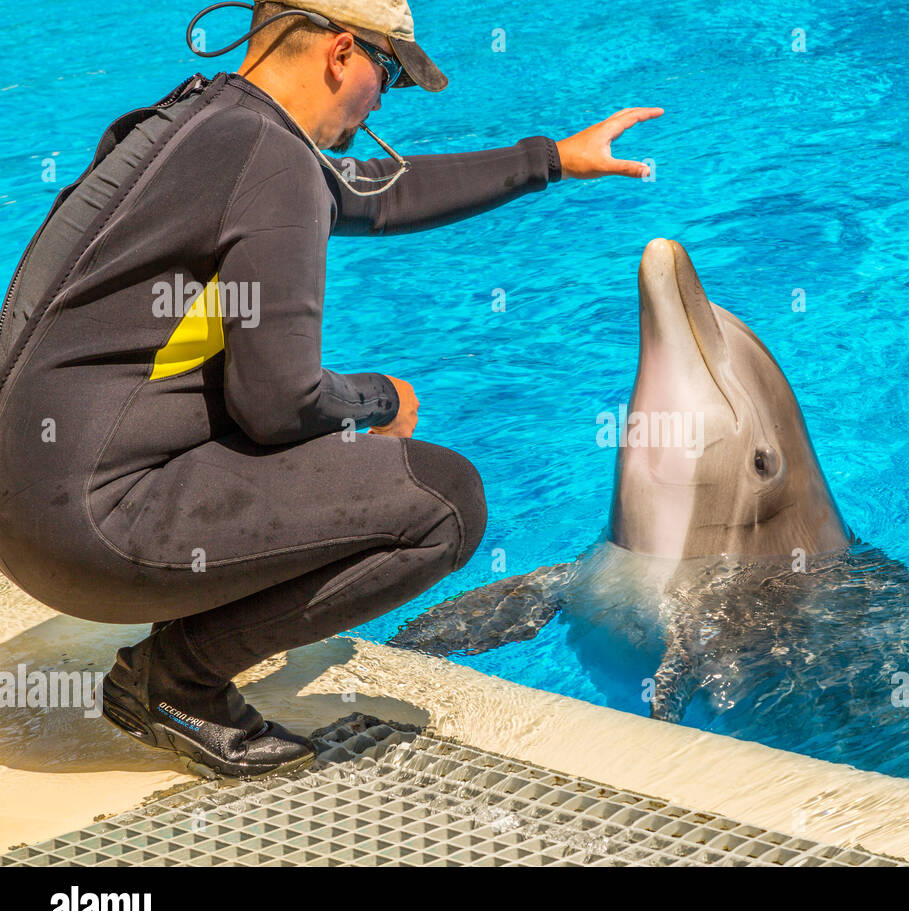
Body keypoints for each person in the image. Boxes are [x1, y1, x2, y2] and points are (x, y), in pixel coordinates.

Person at [0, 0, 662, 778]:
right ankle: (176, 682)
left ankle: (178, 644)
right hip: (93, 533)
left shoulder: (201, 121)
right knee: (445, 500)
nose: (383, 99)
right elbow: (277, 405)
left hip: (32, 511)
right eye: (386, 74)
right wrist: (380, 400)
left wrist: (550, 158)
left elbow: (376, 193)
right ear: (341, 52)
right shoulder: (270, 159)